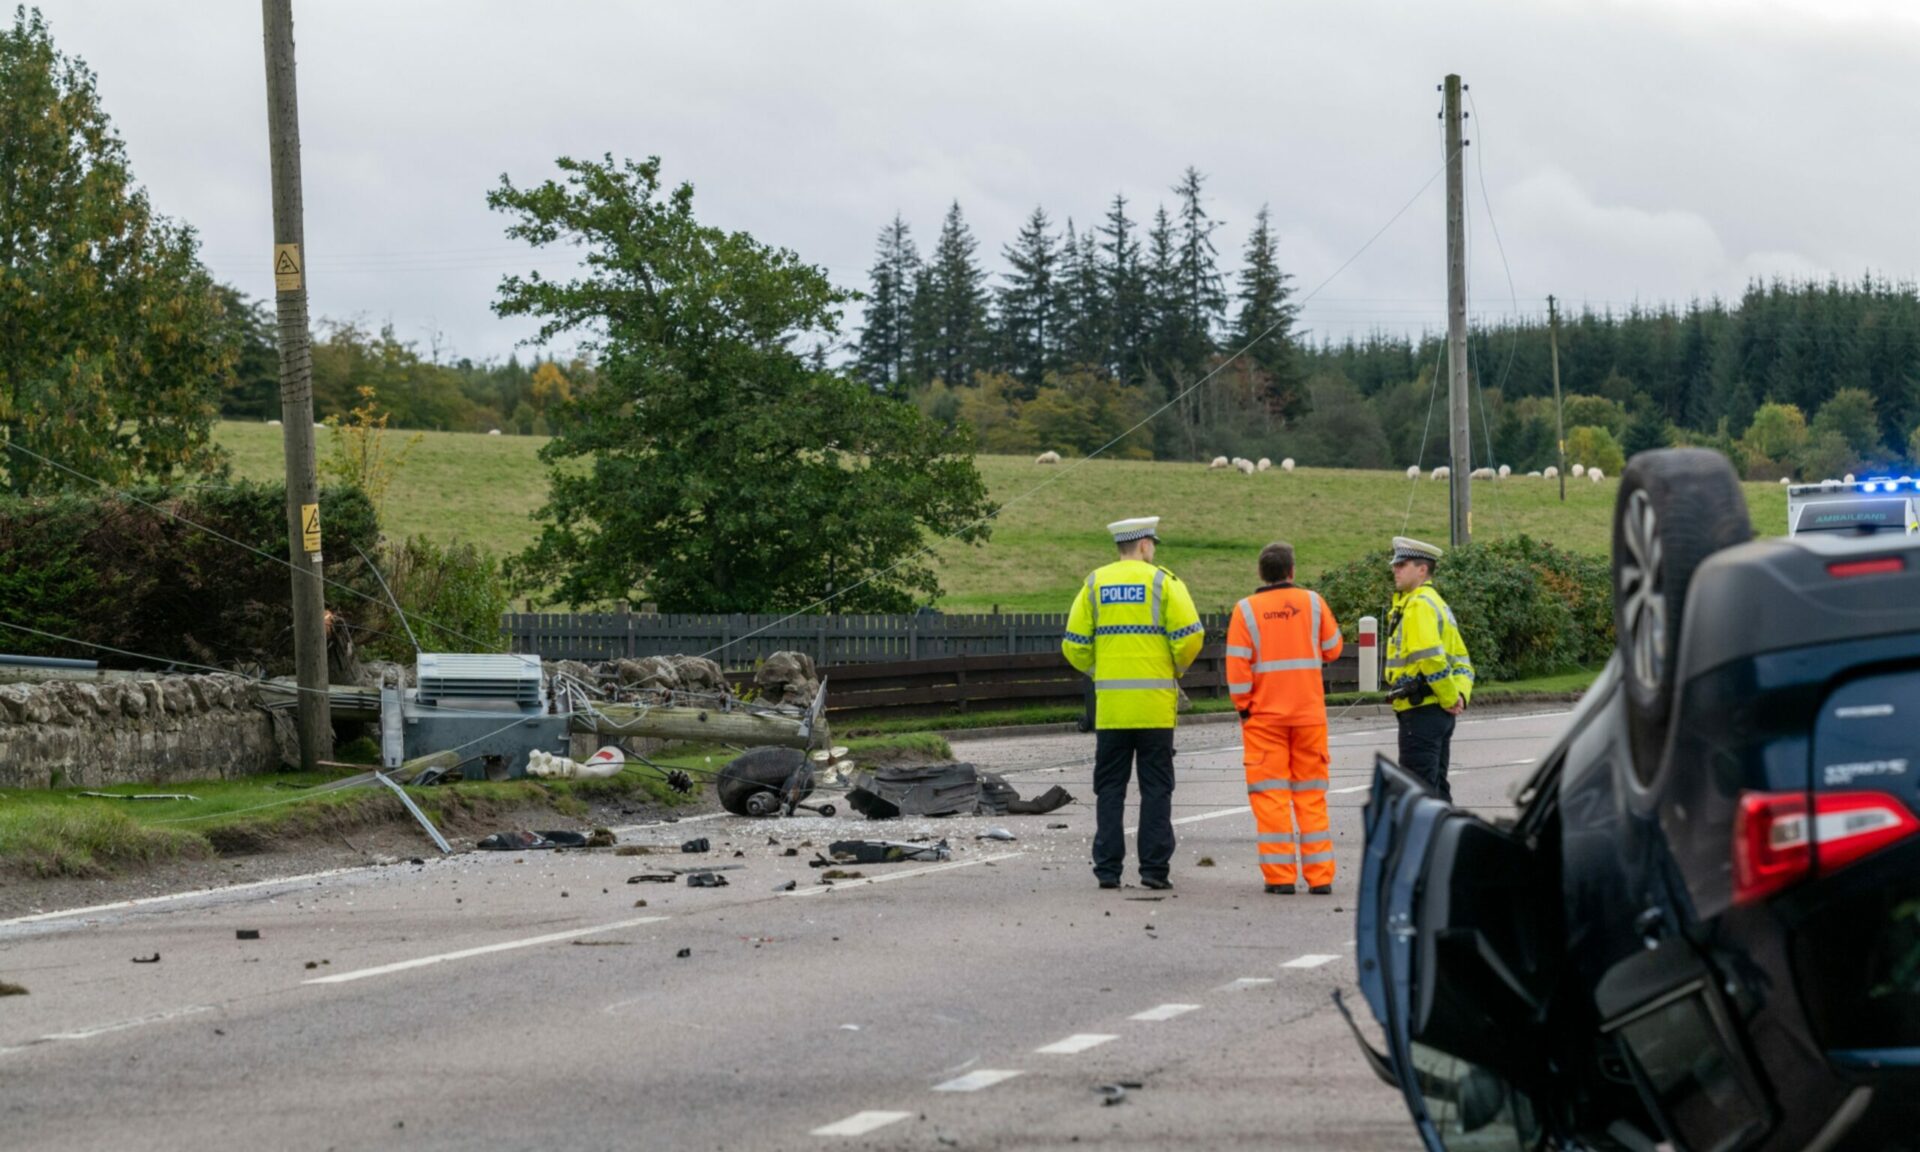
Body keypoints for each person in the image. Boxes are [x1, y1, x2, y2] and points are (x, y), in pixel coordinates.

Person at [1062, 517, 1205, 890]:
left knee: (1110, 789)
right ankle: (1154, 872)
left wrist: (1100, 669)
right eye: (1152, 543)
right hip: (1155, 708)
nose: (1154, 549)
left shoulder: (1094, 584)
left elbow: (1073, 645)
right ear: (1143, 545)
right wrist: (1174, 667)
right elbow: (1191, 637)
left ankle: (1107, 871)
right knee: (1156, 788)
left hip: (1111, 710)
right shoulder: (1164, 583)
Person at [1225, 542, 1344, 895]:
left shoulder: (1245, 611)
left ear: (1261, 573)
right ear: (1291, 571)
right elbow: (1334, 649)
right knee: (1311, 796)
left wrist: (1245, 707)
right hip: (1308, 716)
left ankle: (1280, 878)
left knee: (1271, 797)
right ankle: (1320, 877)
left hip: (1264, 719)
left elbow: (1237, 668)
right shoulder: (1312, 602)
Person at [1384, 537, 1473, 800]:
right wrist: (1459, 697)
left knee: (1417, 794)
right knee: (1436, 789)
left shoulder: (1419, 604)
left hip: (1421, 709)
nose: (1395, 569)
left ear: (1422, 570)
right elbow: (1462, 660)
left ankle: (1424, 842)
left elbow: (1431, 658)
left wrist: (1449, 698)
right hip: (1438, 712)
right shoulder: (1437, 603)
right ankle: (1446, 840)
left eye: (1402, 564)